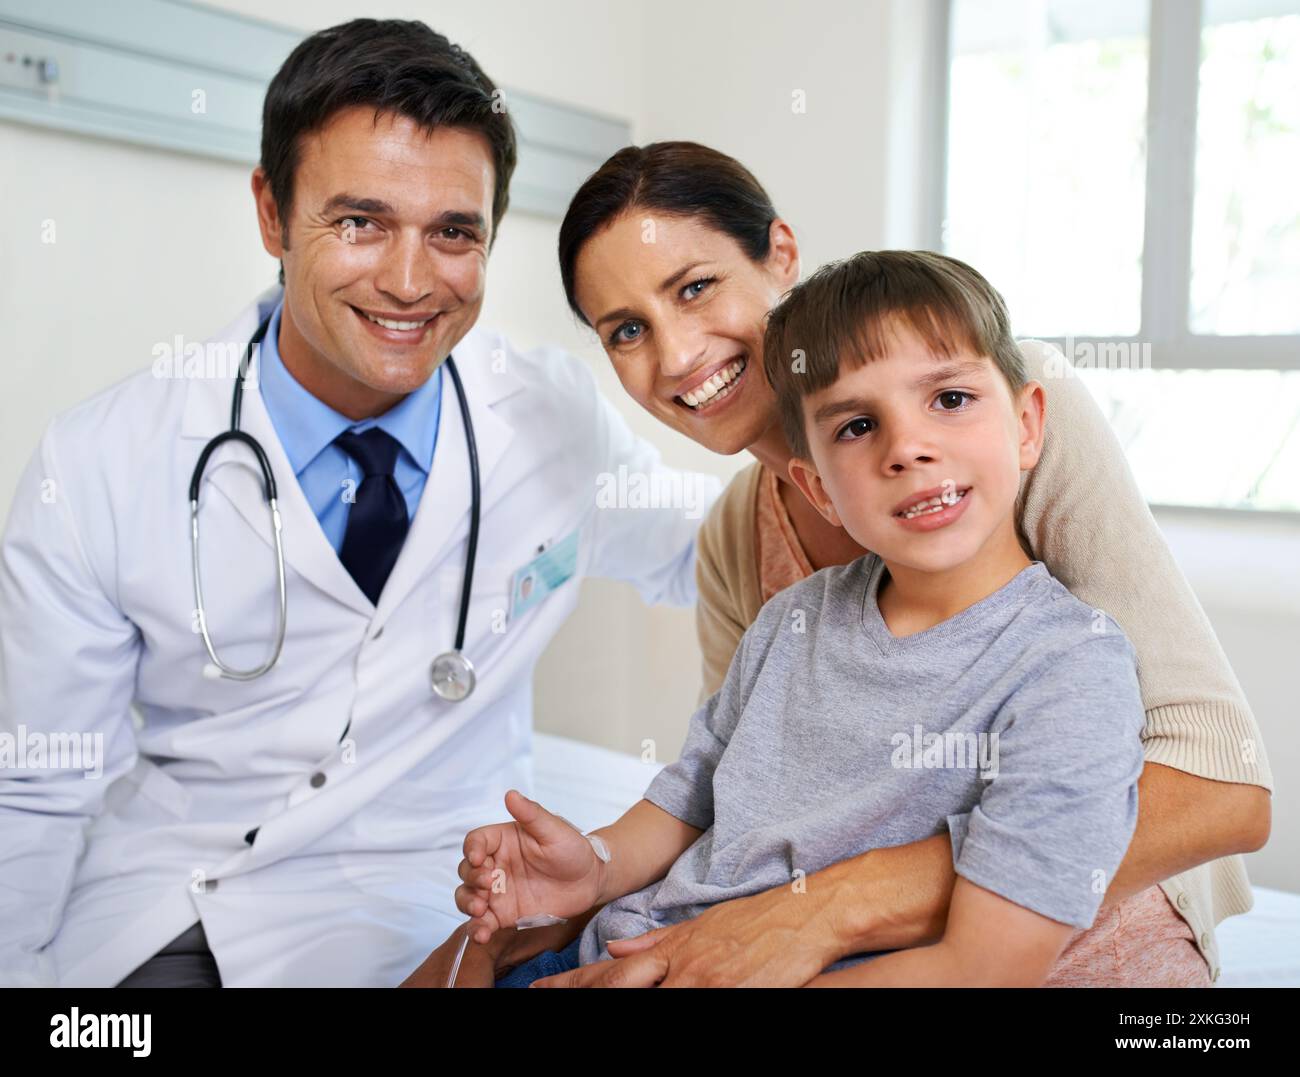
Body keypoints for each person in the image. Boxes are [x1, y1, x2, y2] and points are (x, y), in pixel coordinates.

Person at [407, 142, 1271, 989]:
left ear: (779, 254)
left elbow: (1225, 789)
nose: (676, 357)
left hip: (1062, 928)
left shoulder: (997, 417)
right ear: (819, 489)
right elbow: (734, 804)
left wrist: (818, 909)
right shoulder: (743, 550)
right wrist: (570, 891)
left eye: (697, 286)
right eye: (628, 330)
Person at [0, 22, 719, 988]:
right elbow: (35, 789)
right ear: (270, 210)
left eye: (454, 232)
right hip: (198, 906)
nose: (411, 282)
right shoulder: (103, 460)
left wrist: (812, 411)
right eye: (359, 223)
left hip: (457, 901)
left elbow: (711, 550)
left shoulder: (549, 417)